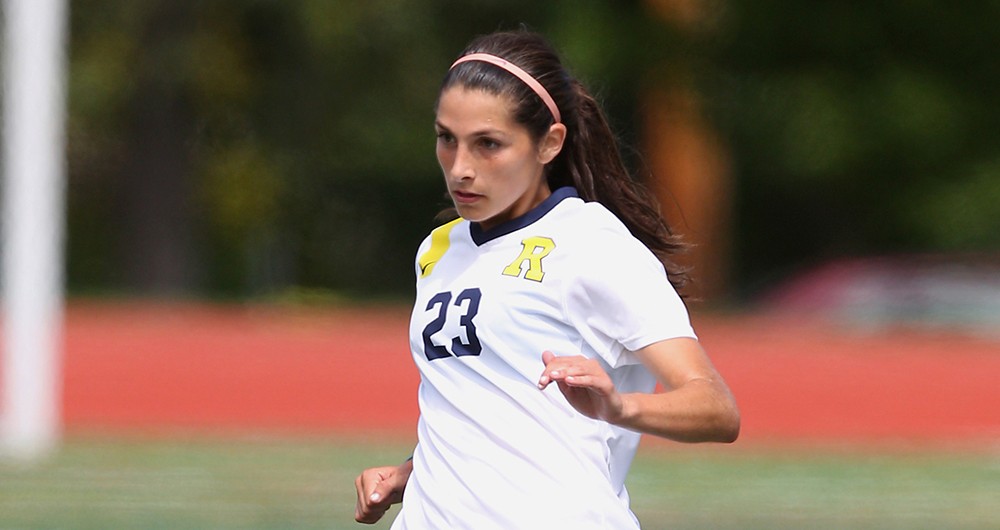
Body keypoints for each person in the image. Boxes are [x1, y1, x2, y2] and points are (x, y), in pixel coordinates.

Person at [354, 29, 739, 529]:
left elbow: (716, 408)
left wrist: (618, 406)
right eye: (446, 138)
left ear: (548, 144)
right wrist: (413, 471)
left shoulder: (592, 244)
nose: (460, 168)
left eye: (488, 144)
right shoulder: (439, 249)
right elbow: (484, 400)